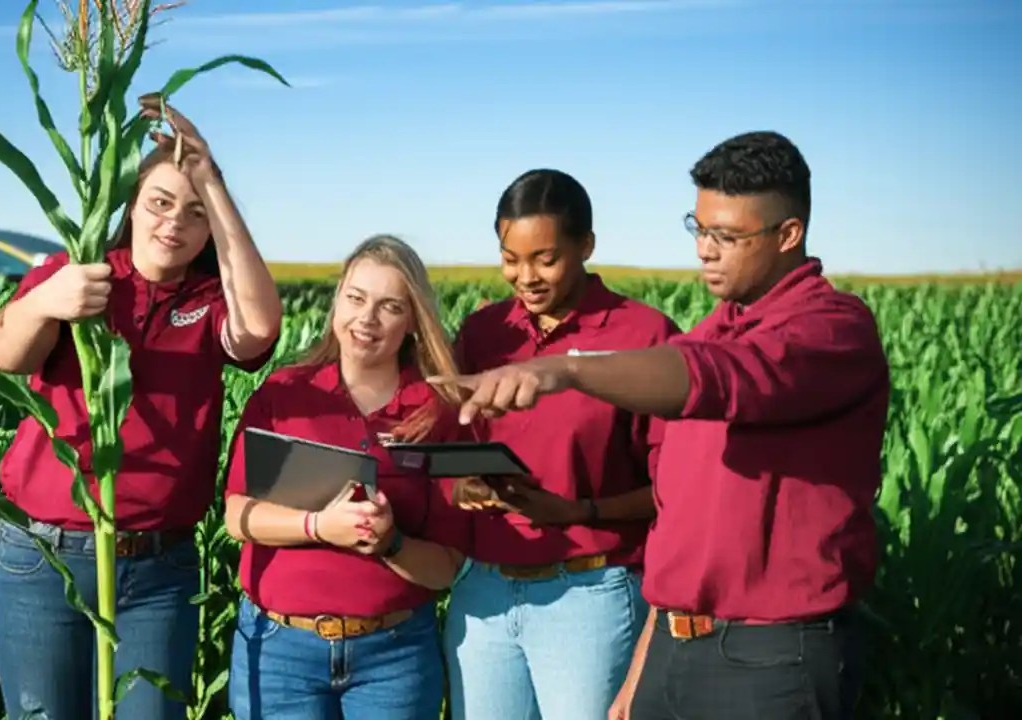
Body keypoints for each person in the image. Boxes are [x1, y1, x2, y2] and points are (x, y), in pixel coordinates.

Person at [431, 131, 889, 720]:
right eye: (698, 228)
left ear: (788, 235)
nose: (704, 250)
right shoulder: (711, 331)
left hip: (772, 656)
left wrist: (569, 370)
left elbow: (721, 378)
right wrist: (649, 656)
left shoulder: (831, 329)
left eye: (726, 236)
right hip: (675, 643)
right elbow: (677, 526)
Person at [0, 99, 283, 720]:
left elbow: (257, 329)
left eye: (195, 213)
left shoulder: (208, 301)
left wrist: (215, 185)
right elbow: (5, 354)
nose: (175, 223)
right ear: (131, 205)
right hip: (40, 558)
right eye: (161, 202)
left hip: (157, 570)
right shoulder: (78, 274)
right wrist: (45, 304)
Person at [440, 169, 680, 720]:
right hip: (484, 593)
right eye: (510, 258)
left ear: (586, 245)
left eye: (545, 259)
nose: (525, 277)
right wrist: (465, 483)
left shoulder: (644, 338)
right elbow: (453, 440)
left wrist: (579, 511)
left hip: (590, 594)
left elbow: (678, 488)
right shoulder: (482, 333)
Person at [221, 234, 474, 720]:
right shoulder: (283, 394)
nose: (367, 318)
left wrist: (390, 543)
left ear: (413, 322)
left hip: (394, 656)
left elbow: (444, 569)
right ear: (337, 301)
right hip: (280, 652)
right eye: (355, 298)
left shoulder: (437, 415)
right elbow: (237, 515)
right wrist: (319, 526)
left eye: (389, 306)